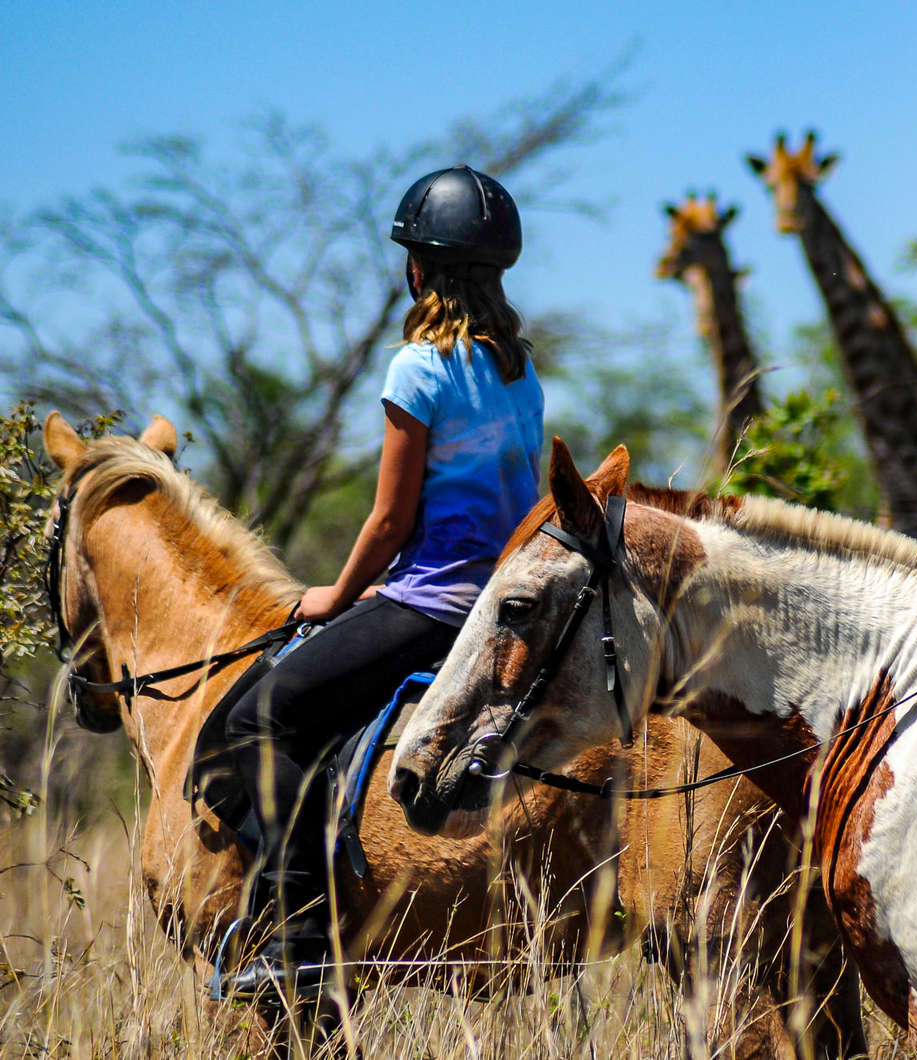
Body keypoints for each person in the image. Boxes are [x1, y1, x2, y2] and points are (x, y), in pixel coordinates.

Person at [222, 164, 545, 995]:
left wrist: (334, 593)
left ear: (416, 268)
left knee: (256, 723)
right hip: (501, 607)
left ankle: (297, 941)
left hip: (432, 606)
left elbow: (391, 521)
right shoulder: (518, 369)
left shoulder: (418, 366)